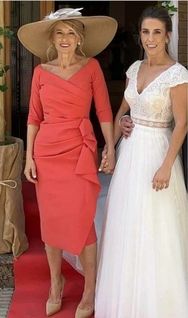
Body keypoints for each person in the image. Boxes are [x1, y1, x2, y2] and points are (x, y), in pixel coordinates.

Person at [17, 8, 117, 318]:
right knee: (51, 224)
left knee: (84, 221)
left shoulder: (92, 68)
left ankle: (89, 290)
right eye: (60, 33)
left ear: (80, 39)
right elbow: (34, 116)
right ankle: (56, 284)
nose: (65, 39)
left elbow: (103, 111)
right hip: (47, 153)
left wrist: (110, 148)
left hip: (79, 152)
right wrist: (28, 156)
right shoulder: (40, 72)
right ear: (52, 38)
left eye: (71, 33)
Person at [95, 6, 188, 318]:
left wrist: (166, 166)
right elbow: (122, 109)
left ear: (167, 36)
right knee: (127, 222)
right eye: (146, 32)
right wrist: (121, 124)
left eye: (157, 32)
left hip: (158, 154)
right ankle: (124, 299)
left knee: (155, 227)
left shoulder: (177, 74)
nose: (150, 39)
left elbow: (183, 124)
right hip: (130, 156)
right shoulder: (134, 68)